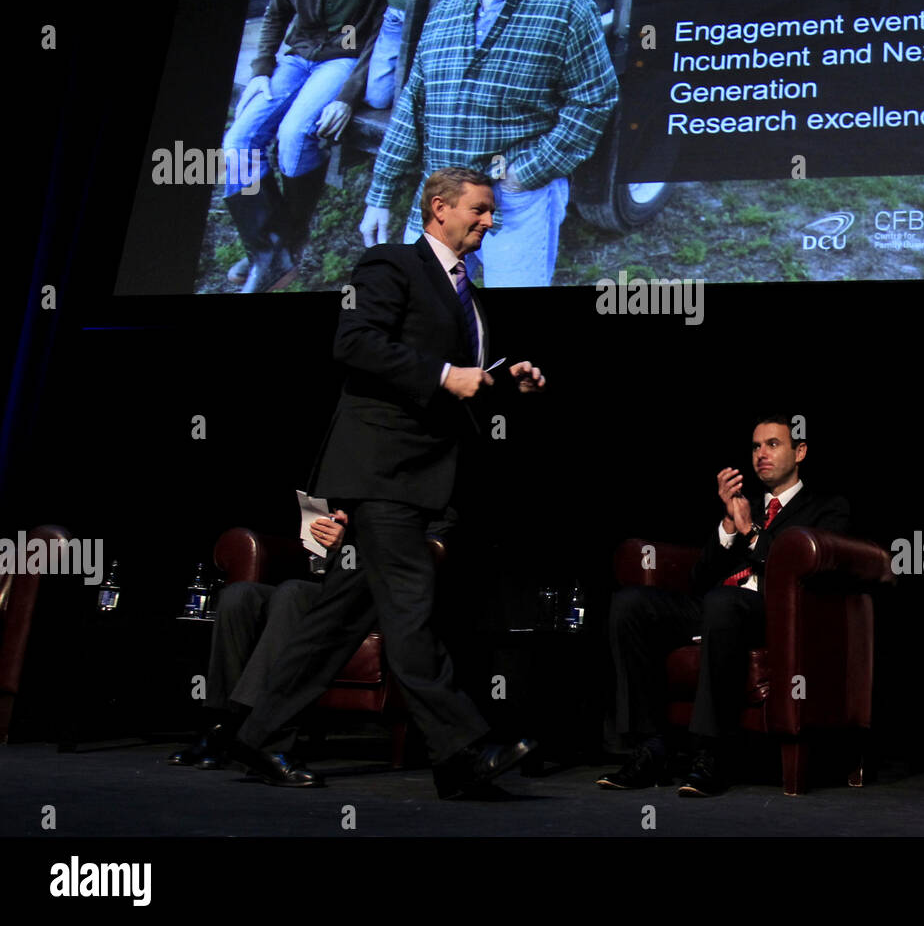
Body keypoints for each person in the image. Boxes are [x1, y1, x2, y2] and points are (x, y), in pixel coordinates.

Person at [231, 168, 545, 796]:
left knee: (336, 620)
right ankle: (462, 749)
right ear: (439, 209)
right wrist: (442, 373)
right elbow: (354, 343)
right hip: (380, 472)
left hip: (420, 476)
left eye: (492, 213)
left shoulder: (468, 292)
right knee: (411, 609)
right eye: (480, 211)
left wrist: (505, 379)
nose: (491, 221)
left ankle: (257, 738)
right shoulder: (389, 265)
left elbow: (463, 384)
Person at [360, 0, 619, 287]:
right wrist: (379, 195)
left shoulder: (565, 1)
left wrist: (528, 172)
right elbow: (413, 104)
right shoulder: (444, 10)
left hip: (515, 196)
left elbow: (594, 98)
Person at [599, 415, 850, 797]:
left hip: (777, 615)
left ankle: (712, 754)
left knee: (724, 603)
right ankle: (650, 748)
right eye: (755, 446)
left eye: (772, 444)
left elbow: (808, 572)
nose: (761, 454)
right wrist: (729, 529)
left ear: (800, 451)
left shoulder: (827, 508)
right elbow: (698, 582)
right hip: (718, 607)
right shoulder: (743, 506)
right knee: (630, 603)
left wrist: (751, 532)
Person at [223, 0, 383, 293]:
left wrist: (347, 97)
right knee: (238, 140)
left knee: (296, 134)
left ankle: (280, 248)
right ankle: (271, 249)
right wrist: (261, 70)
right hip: (296, 58)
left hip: (342, 58)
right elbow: (275, 17)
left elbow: (376, 40)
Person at [168, 510, 348, 768]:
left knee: (292, 593)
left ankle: (248, 726)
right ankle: (220, 721)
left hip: (357, 593)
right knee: (239, 596)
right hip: (321, 577)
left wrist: (350, 542)